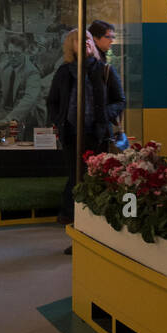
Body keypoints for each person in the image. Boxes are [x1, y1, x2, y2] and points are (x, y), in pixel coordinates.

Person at [47, 21, 126, 247]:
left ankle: (96, 228)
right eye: (80, 40)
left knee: (96, 179)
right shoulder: (63, 73)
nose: (86, 44)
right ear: (71, 45)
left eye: (89, 40)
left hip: (97, 134)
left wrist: (103, 115)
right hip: (72, 134)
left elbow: (119, 100)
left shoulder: (105, 71)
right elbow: (52, 101)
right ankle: (78, 229)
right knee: (76, 178)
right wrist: (59, 121)